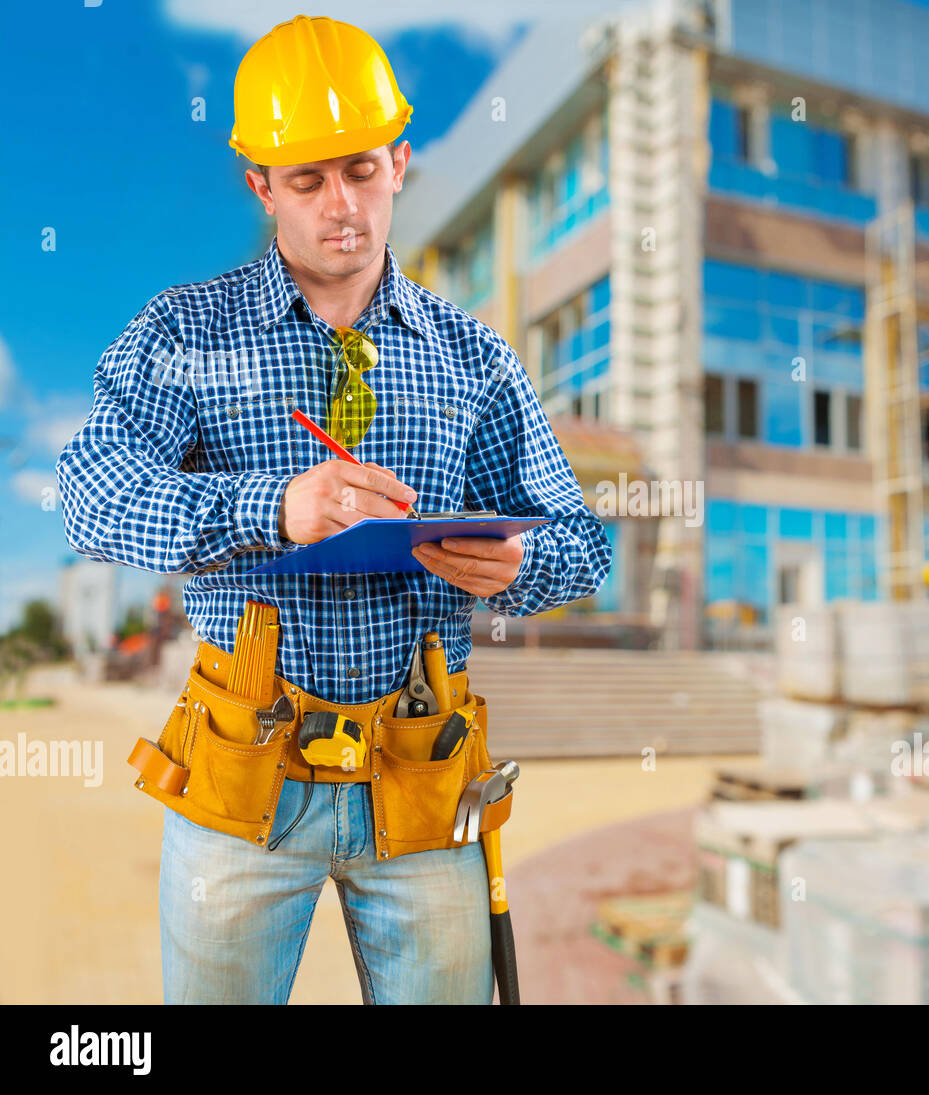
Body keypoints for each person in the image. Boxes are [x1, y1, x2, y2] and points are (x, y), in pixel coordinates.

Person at [55, 14, 610, 1005]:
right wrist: (271, 503)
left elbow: (579, 542)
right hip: (240, 781)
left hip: (425, 774)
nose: (340, 205)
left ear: (401, 163)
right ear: (261, 186)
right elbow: (91, 496)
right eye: (305, 180)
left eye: (359, 169)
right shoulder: (184, 333)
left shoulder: (472, 357)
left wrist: (522, 566)